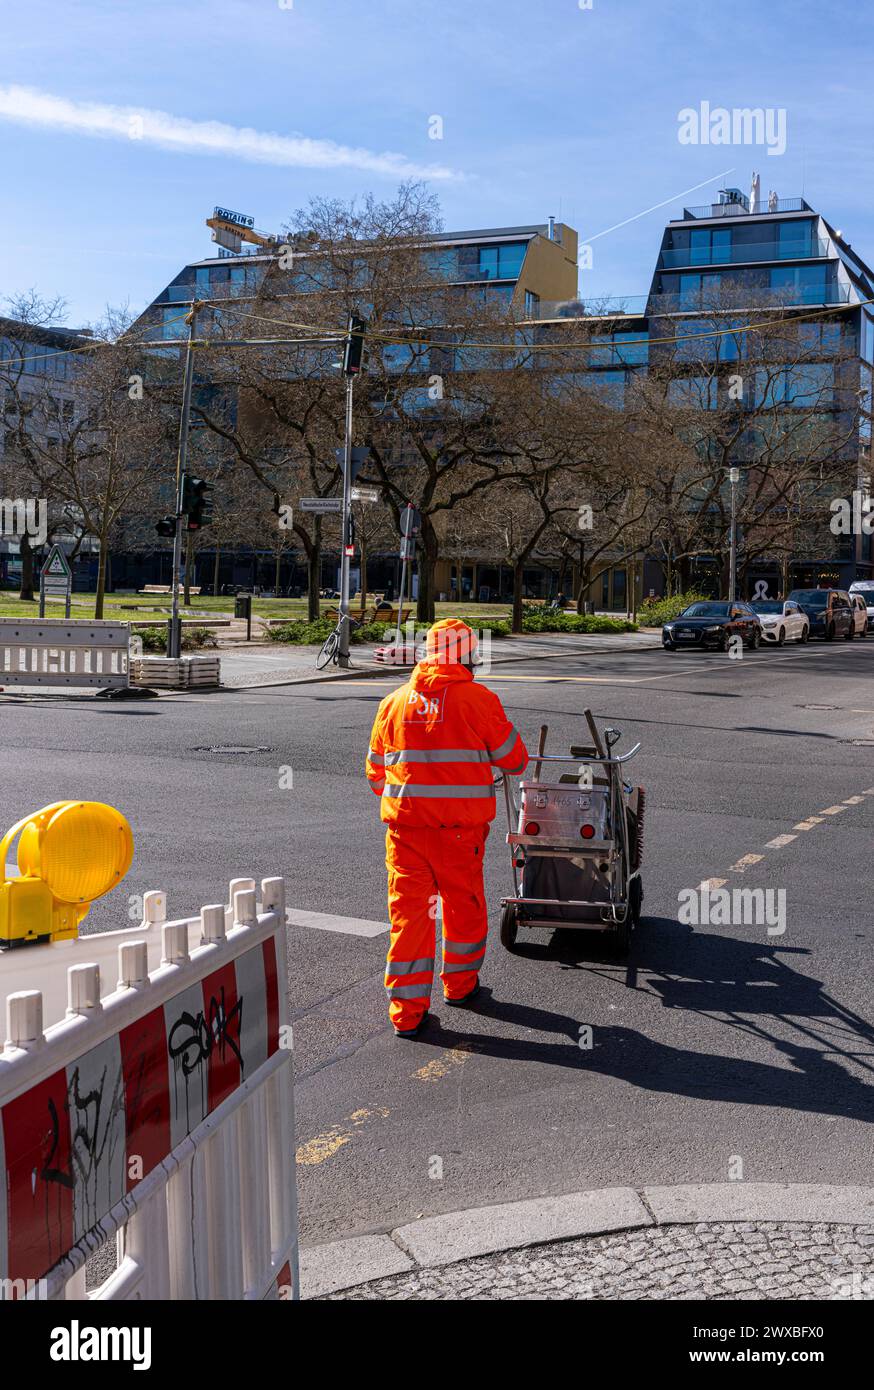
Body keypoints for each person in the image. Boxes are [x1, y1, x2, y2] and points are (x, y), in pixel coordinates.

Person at [366, 619, 528, 1037]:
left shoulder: (394, 702)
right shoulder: (478, 699)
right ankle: (459, 986)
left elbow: (376, 776)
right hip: (459, 834)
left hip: (405, 832)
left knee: (409, 918)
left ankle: (406, 1011)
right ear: (468, 656)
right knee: (462, 907)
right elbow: (515, 760)